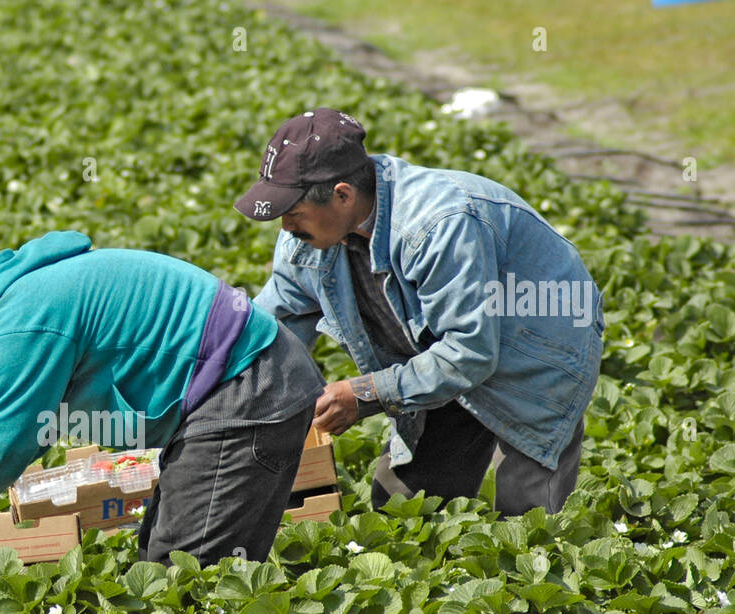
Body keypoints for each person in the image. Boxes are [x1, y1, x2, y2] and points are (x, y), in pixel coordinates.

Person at [0, 219, 325, 565]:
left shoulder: (19, 324)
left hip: (249, 390)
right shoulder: (12, 296)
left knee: (184, 579)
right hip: (243, 385)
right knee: (168, 561)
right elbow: (21, 429)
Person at [236, 108, 603, 515]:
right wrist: (226, 396)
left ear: (343, 195)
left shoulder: (438, 222)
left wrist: (364, 393)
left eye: (294, 212)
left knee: (527, 518)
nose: (286, 227)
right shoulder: (305, 240)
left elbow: (470, 352)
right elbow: (273, 328)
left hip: (535, 345)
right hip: (440, 350)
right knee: (400, 509)